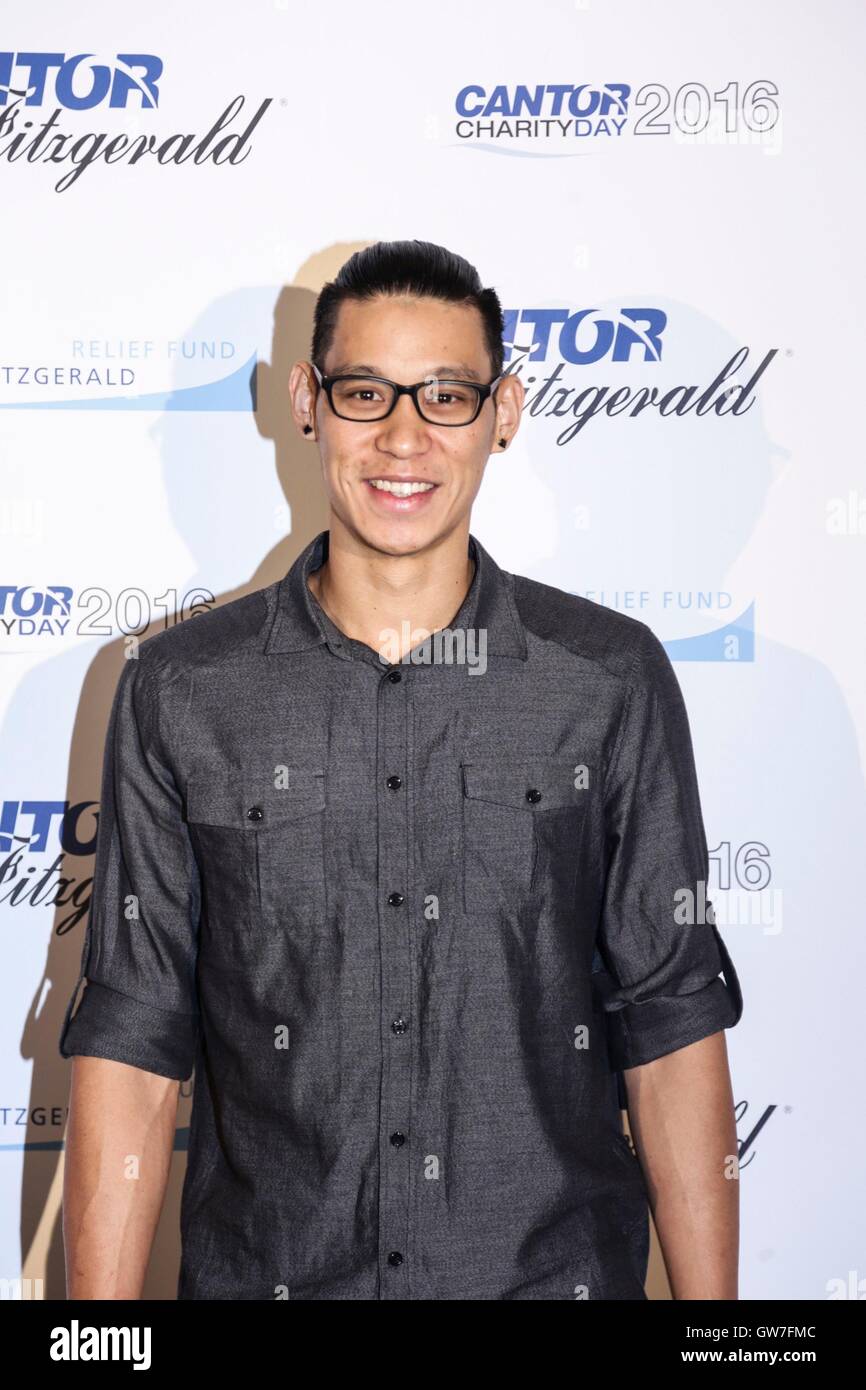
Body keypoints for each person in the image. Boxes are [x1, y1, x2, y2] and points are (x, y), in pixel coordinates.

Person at [59, 239, 743, 1301]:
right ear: (307, 401)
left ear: (503, 412)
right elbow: (134, 1049)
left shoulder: (605, 681)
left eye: (447, 395)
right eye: (367, 391)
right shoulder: (180, 690)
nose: (403, 436)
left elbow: (668, 1029)